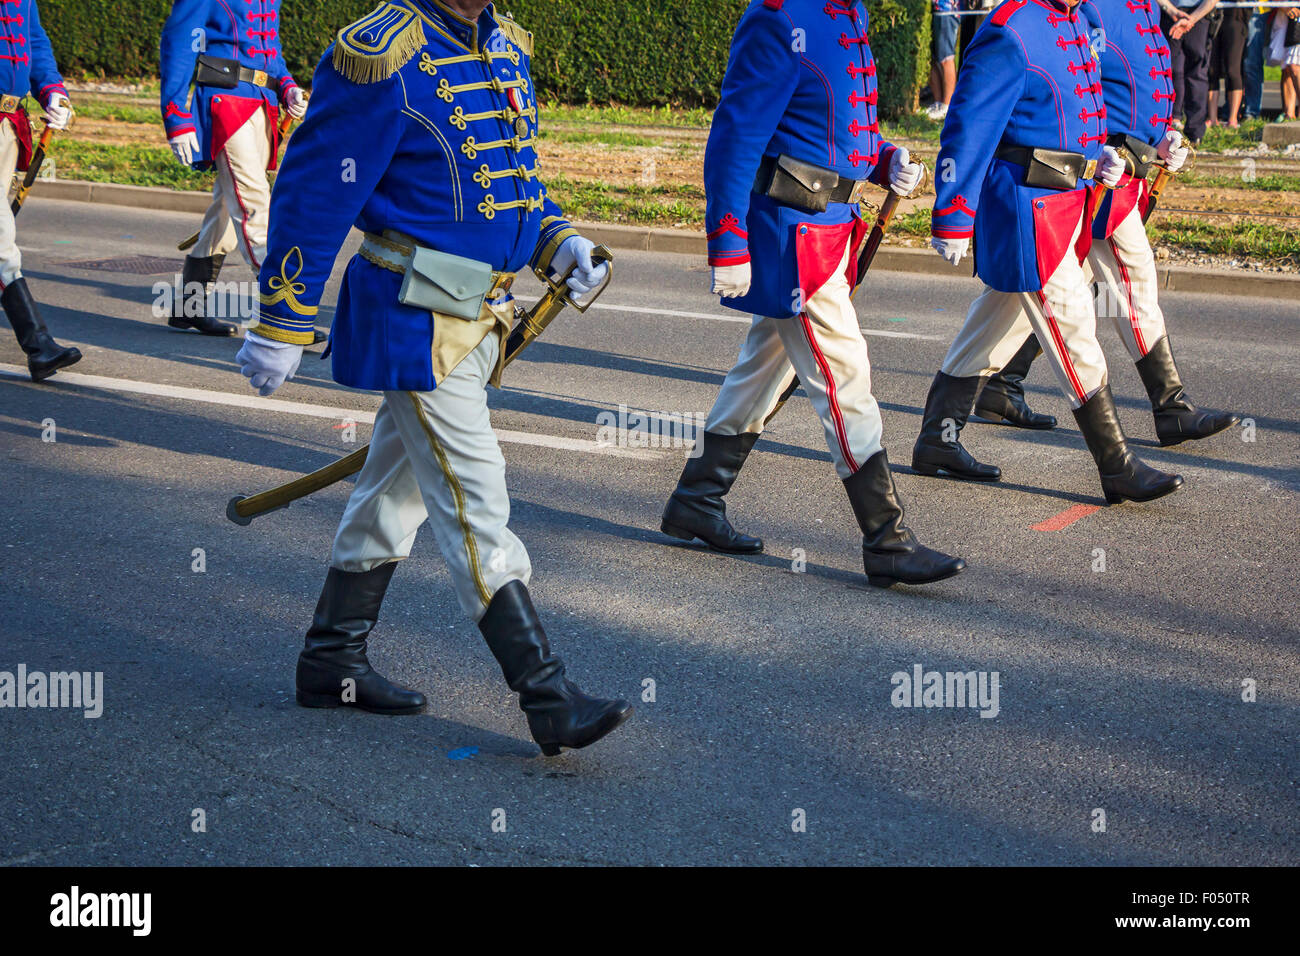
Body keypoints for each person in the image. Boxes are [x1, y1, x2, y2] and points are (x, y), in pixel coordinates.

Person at [235, 0, 631, 756]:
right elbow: (316, 190)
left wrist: (560, 243)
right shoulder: (376, 53)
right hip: (414, 318)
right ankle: (547, 696)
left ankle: (331, 659)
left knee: (396, 490)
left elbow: (512, 183)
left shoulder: (504, 43)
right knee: (475, 496)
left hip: (478, 314)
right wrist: (282, 320)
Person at [661, 0, 964, 589]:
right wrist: (727, 239)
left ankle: (697, 499)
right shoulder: (778, 16)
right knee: (846, 373)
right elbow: (736, 135)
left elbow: (835, 128)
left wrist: (886, 161)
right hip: (789, 234)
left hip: (828, 228)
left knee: (762, 372)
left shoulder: (847, 15)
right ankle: (886, 536)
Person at [917, 0, 1185, 506]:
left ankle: (938, 438)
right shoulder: (1009, 29)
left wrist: (1101, 157)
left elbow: (1074, 110)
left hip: (1065, 203)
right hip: (1024, 207)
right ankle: (1116, 464)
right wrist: (953, 214)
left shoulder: (1071, 19)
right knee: (1074, 323)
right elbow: (968, 127)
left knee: (994, 326)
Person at [975, 0, 1241, 449]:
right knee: (1129, 276)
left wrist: (1161, 137)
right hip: (1097, 169)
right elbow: (1079, 86)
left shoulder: (1138, 7)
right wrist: (1103, 152)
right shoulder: (1092, 7)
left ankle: (1001, 386)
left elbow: (1137, 83)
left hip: (1121, 165)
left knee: (1045, 289)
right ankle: (1168, 407)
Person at [159, 1, 308, 337]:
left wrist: (286, 86)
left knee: (225, 213)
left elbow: (271, 50)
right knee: (254, 202)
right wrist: (175, 112)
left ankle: (188, 307)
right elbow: (179, 42)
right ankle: (282, 312)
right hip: (225, 102)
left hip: (261, 102)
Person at [0, 0, 79, 382]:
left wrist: (52, 90)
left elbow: (33, 40)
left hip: (9, 123)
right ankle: (38, 344)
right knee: (1, 239)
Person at [1158, 0, 1220, 144]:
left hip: (1198, 15)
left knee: (1196, 74)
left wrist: (1192, 19)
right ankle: (1166, 127)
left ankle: (1194, 132)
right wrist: (1172, 11)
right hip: (1170, 15)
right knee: (1169, 73)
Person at [1208, 6, 1248, 127]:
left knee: (1233, 70)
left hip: (1236, 17)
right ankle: (1212, 118)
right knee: (1211, 70)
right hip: (1212, 16)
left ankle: (1232, 119)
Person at [928, 0, 961, 120]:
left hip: (946, 10)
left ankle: (947, 106)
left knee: (946, 58)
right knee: (935, 59)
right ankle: (938, 103)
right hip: (937, 9)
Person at [1269, 5, 1300, 119]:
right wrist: (1285, 7)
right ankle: (1289, 114)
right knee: (1287, 67)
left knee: (1294, 65)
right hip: (1286, 18)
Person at [1243, 6, 1273, 120]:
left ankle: (1252, 111)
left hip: (1257, 10)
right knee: (1234, 63)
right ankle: (1230, 110)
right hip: (1235, 10)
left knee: (1251, 62)